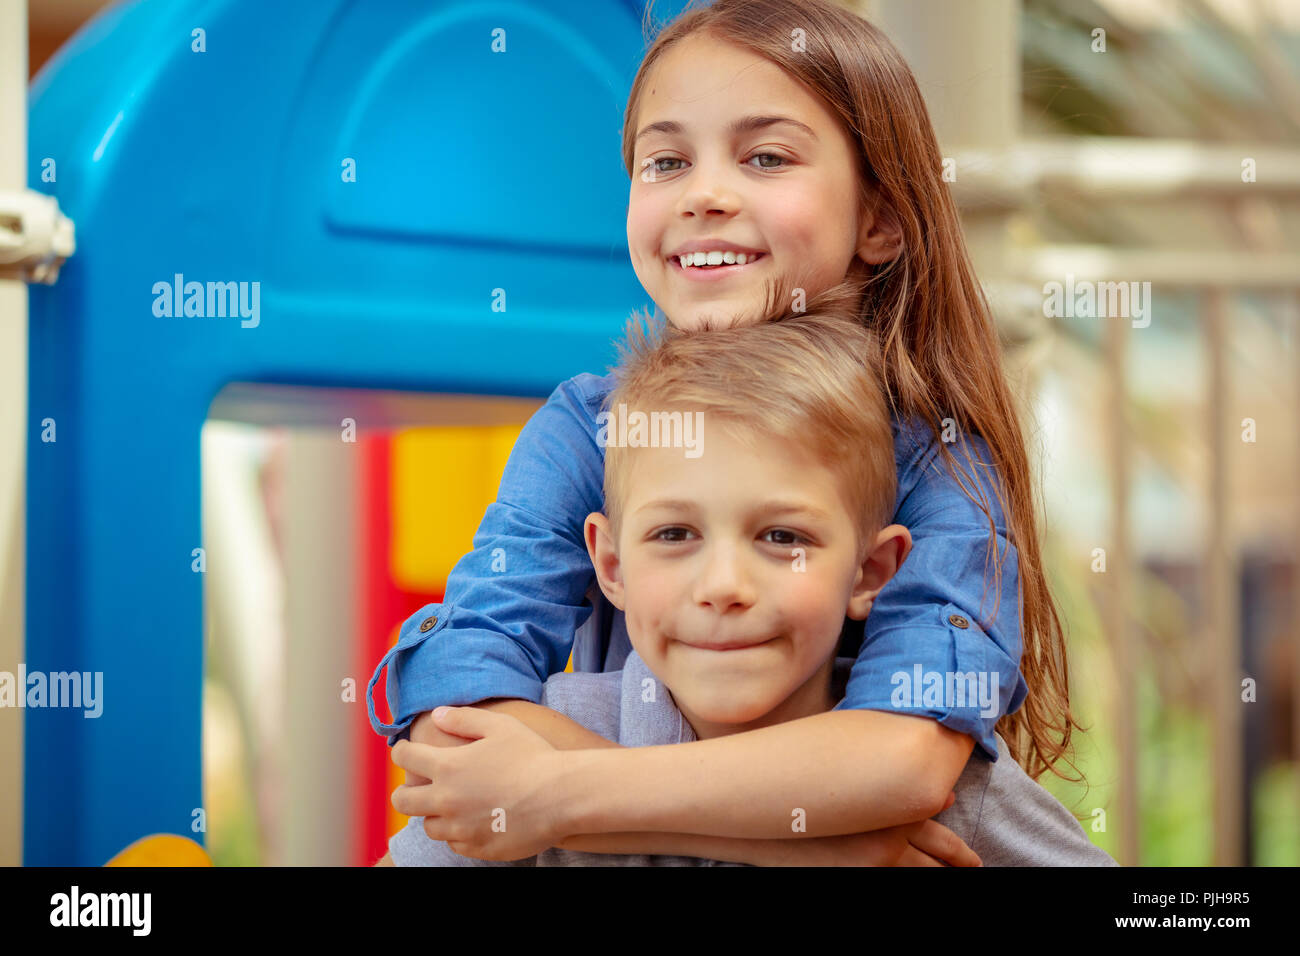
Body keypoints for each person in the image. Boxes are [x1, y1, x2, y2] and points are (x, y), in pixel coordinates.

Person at [368, 0, 1084, 863]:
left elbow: (902, 763)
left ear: (880, 220)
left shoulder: (937, 455)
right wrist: (816, 850)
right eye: (665, 161)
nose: (704, 194)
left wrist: (558, 795)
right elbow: (459, 704)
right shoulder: (589, 428)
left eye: (766, 157)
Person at [384, 300, 1114, 866]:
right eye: (674, 535)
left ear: (872, 572)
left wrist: (565, 799)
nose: (724, 585)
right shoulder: (522, 751)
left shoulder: (958, 797)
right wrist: (812, 846)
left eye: (782, 538)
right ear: (611, 566)